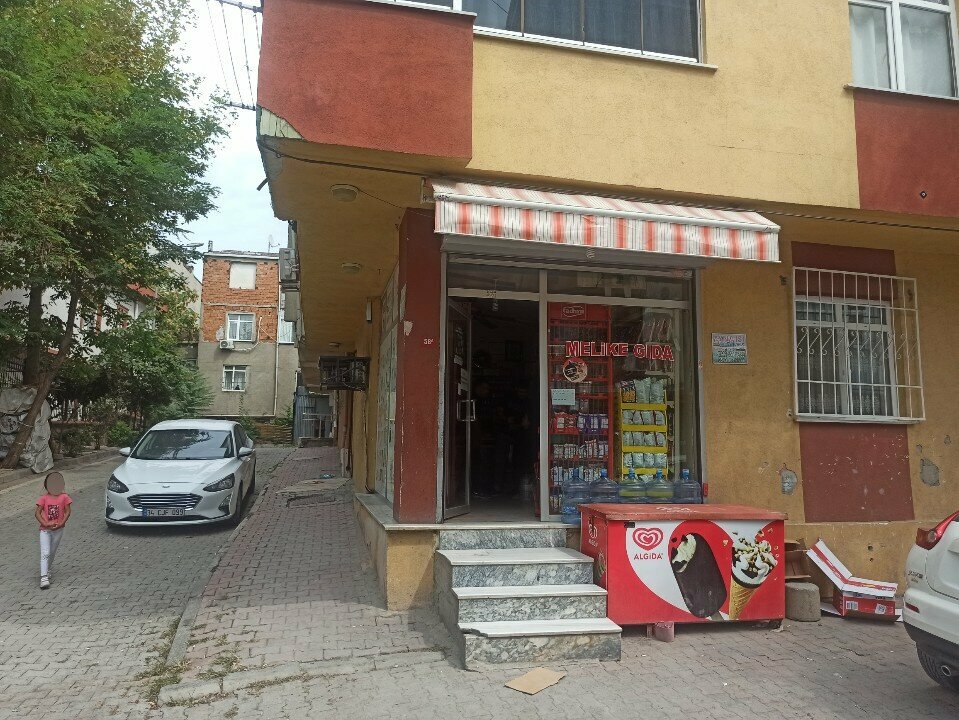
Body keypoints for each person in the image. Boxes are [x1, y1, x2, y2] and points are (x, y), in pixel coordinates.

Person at [34, 471, 72, 589]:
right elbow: (37, 513)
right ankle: (44, 577)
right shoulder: (43, 498)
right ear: (46, 485)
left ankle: (48, 569)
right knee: (45, 552)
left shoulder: (64, 497)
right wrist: (45, 523)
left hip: (58, 530)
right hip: (45, 530)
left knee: (52, 552)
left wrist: (62, 523)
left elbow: (68, 511)